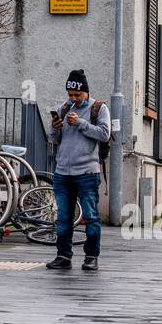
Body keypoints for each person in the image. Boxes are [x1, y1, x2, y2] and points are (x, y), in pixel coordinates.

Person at [46, 69, 110, 271]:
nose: (73, 99)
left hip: (87, 173)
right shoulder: (64, 108)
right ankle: (63, 255)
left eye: (77, 95)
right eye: (70, 95)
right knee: (63, 218)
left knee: (91, 216)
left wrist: (81, 123)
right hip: (63, 172)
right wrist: (56, 127)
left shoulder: (99, 109)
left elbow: (105, 134)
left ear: (86, 91)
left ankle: (91, 256)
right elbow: (54, 140)